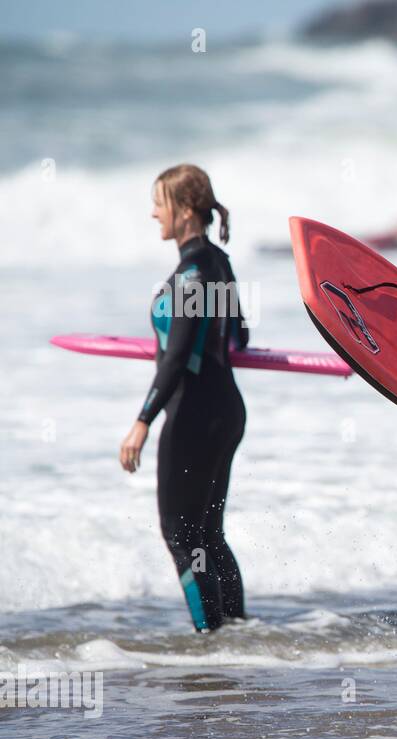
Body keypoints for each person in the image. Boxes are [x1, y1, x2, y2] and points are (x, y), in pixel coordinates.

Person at [119, 164, 249, 632]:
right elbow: (242, 335)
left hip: (194, 416)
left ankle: (210, 642)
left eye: (161, 203)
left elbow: (174, 360)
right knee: (208, 536)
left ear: (187, 210)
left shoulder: (191, 275)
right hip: (227, 411)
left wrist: (141, 422)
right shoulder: (218, 264)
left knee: (180, 535)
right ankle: (238, 632)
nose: (154, 213)